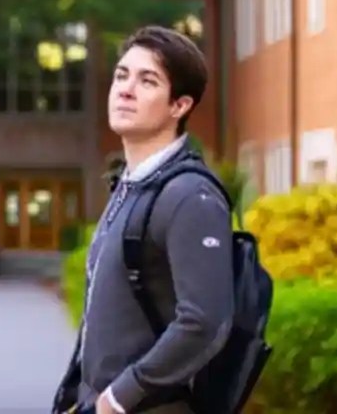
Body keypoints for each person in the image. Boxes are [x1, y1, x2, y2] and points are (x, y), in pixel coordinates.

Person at [52, 25, 235, 414]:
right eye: (121, 75)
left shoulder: (188, 196)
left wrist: (119, 397)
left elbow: (204, 321)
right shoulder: (131, 185)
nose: (126, 89)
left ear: (179, 105)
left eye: (147, 80)